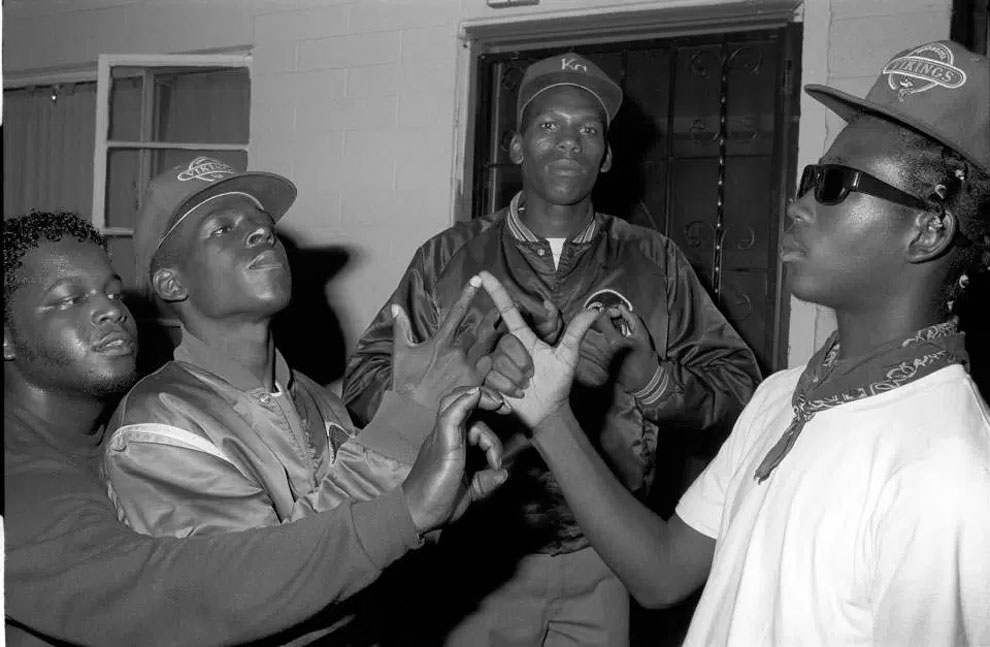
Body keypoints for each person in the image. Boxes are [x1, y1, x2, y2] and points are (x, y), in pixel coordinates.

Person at [492, 41, 990, 647]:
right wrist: (547, 417)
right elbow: (661, 572)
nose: (797, 205)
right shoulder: (787, 395)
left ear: (929, 229)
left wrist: (652, 380)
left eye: (833, 185)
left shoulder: (948, 472)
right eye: (810, 178)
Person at [343, 53, 761, 646]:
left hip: (609, 556)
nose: (569, 142)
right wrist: (469, 380)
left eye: (588, 130)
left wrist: (650, 379)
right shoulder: (447, 258)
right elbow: (364, 385)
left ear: (608, 155)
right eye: (548, 126)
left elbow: (741, 388)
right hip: (476, 556)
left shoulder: (657, 260)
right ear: (516, 146)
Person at [4, 211, 506, 646]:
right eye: (69, 299)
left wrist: (427, 464)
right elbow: (181, 599)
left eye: (112, 291)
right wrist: (405, 505)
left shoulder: (309, 399)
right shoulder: (24, 479)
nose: (111, 309)